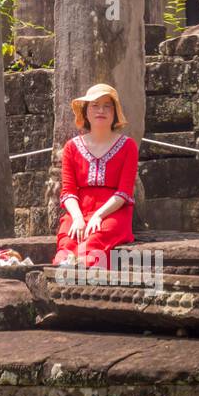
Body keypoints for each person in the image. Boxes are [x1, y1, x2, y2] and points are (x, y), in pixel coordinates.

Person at [54, 83, 138, 268]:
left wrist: (99, 216)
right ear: (85, 112)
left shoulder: (128, 146)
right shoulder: (71, 147)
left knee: (95, 241)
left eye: (107, 106)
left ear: (115, 112)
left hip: (114, 210)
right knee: (68, 241)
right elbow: (68, 191)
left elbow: (124, 192)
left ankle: (84, 275)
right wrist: (76, 217)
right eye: (94, 105)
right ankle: (61, 276)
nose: (101, 110)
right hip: (79, 209)